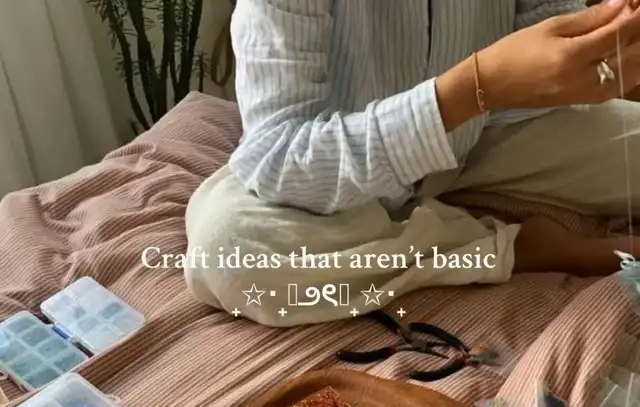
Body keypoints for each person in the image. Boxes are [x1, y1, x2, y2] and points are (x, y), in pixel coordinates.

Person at [185, 0, 640, 326]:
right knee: (228, 251)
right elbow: (278, 154)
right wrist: (474, 86)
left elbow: (543, 26)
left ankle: (435, 238)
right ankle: (513, 250)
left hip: (488, 131)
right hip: (338, 173)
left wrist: (603, 37)